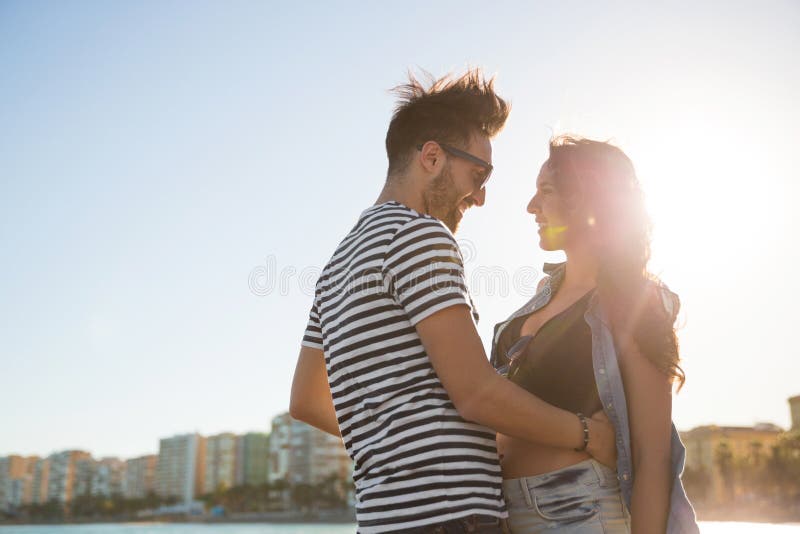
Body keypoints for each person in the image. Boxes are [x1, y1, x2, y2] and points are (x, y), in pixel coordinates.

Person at [289, 71, 617, 534]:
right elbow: (475, 392)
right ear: (431, 157)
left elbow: (305, 401)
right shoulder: (418, 235)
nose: (480, 197)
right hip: (451, 515)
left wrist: (391, 440)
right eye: (478, 175)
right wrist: (588, 434)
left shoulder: (336, 266)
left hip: (382, 519)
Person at [491, 136, 700, 533]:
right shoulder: (540, 296)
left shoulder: (634, 300)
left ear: (587, 200)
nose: (531, 206)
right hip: (504, 515)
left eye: (546, 191)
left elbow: (652, 459)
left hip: (579, 512)